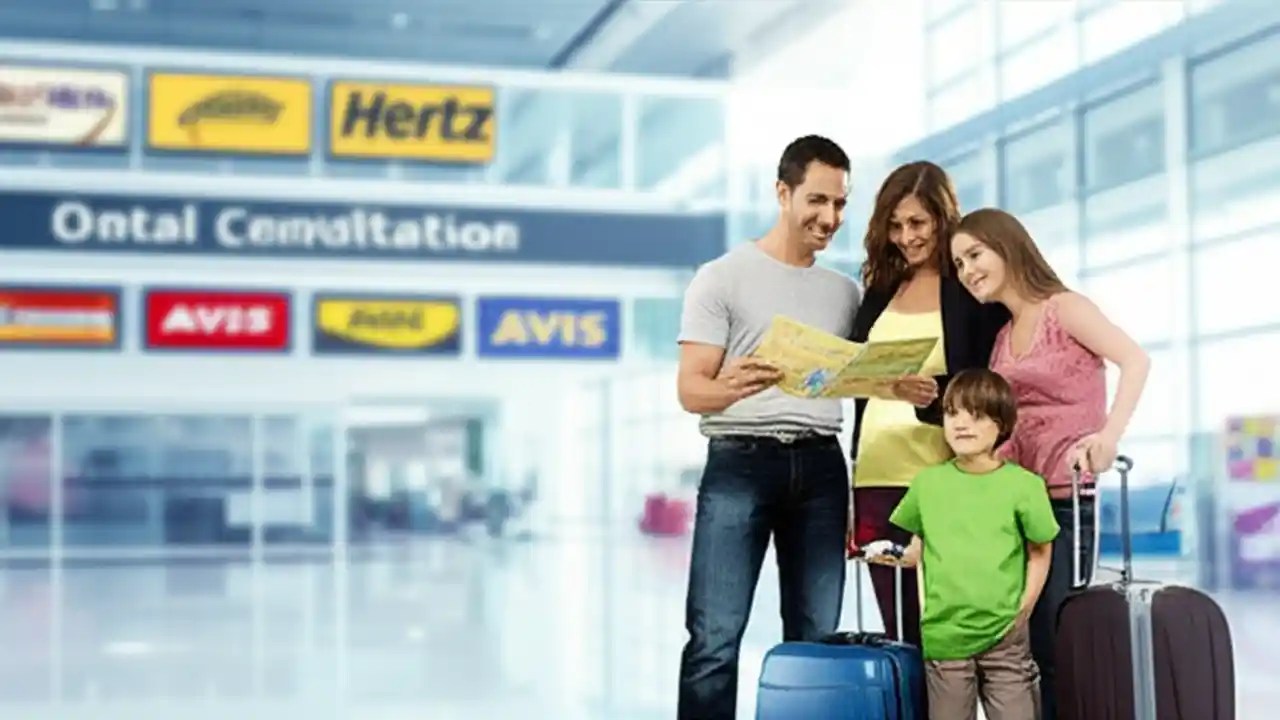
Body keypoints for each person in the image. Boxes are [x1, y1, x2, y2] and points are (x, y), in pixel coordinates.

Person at [675, 135, 861, 720]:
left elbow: (858, 380)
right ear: (783, 193)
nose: (829, 217)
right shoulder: (722, 278)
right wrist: (733, 385)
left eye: (839, 203)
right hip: (740, 463)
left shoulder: (845, 293)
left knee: (816, 639)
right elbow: (691, 390)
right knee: (714, 638)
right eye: (817, 200)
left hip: (822, 466)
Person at [950, 207, 1151, 720]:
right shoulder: (1003, 338)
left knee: (1057, 641)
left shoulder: (1065, 309)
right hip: (1014, 508)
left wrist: (1108, 437)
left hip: (1065, 504)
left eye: (974, 254)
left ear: (1007, 245)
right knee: (1025, 649)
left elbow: (1135, 359)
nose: (967, 270)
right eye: (959, 263)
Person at [848, 160, 1009, 646]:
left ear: (943, 218)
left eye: (917, 223)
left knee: (947, 634)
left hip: (942, 478)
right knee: (898, 633)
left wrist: (935, 392)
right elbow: (859, 376)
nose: (906, 237)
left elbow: (991, 384)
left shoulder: (970, 291)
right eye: (895, 225)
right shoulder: (881, 289)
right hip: (875, 478)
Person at [868, 368, 1058, 720]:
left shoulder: (1025, 486)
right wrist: (889, 554)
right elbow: (917, 549)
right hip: (945, 634)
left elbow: (1041, 550)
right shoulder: (927, 484)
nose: (961, 424)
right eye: (952, 413)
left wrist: (1023, 609)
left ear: (1001, 424)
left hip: (1005, 633)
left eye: (977, 415)